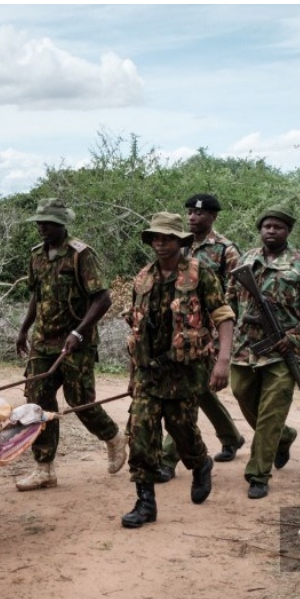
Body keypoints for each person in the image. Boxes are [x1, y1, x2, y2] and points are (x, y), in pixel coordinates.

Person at [120, 212, 235, 528]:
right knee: (140, 434)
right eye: (155, 238)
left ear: (180, 241)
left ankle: (200, 463)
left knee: (182, 429)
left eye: (167, 238)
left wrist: (222, 362)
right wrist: (133, 376)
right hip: (148, 370)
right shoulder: (142, 278)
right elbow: (137, 329)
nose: (160, 243)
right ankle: (145, 503)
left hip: (184, 370)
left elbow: (223, 316)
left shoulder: (201, 275)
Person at [13, 198, 128, 491]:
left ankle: (113, 437)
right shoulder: (36, 256)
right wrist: (24, 330)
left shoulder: (81, 255)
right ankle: (44, 469)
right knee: (38, 403)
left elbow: (102, 299)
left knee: (80, 402)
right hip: (43, 342)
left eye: (48, 223)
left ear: (62, 225)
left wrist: (78, 332)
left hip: (77, 342)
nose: (42, 228)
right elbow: (36, 296)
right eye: (39, 222)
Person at [228, 207, 300, 499]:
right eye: (267, 226)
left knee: (272, 411)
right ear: (261, 230)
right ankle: (283, 437)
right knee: (241, 393)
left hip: (283, 351)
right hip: (246, 348)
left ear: (288, 232)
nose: (272, 231)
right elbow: (230, 298)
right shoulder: (246, 259)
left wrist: (296, 335)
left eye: (278, 227)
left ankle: (258, 474)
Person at [154, 193, 245, 483]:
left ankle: (168, 458)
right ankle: (231, 436)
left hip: (210, 332)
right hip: (180, 333)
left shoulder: (226, 250)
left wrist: (222, 343)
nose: (193, 217)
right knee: (200, 389)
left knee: (187, 394)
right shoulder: (177, 244)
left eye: (200, 213)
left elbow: (235, 296)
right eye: (190, 212)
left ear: (213, 217)